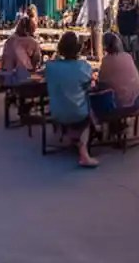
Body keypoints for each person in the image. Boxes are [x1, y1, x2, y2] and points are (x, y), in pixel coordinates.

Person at [42, 31, 98, 168]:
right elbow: (89, 81)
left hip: (56, 112)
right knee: (89, 111)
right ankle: (83, 151)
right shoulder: (83, 67)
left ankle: (71, 136)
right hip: (78, 113)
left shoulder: (50, 67)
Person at [98, 32, 139, 113]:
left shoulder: (106, 60)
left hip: (117, 105)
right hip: (136, 102)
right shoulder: (127, 56)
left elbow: (101, 81)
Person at [0, 16, 43, 86]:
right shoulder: (33, 42)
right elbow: (36, 62)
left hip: (6, 78)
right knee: (44, 78)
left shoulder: (9, 40)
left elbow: (3, 61)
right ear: (32, 29)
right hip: (22, 79)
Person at [114, 0, 139, 73]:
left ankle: (127, 74)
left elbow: (118, 17)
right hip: (134, 34)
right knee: (137, 59)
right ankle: (138, 77)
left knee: (125, 57)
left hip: (123, 33)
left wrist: (119, 32)